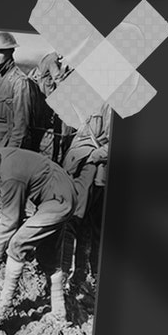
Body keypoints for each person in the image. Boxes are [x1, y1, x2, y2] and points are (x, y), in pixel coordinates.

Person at [0, 144, 78, 320]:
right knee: (49, 255)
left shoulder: (10, 176)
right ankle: (59, 311)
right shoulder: (1, 160)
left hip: (58, 200)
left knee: (17, 245)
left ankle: (4, 305)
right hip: (59, 195)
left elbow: (10, 220)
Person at [59, 104, 111, 290]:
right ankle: (74, 277)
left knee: (82, 224)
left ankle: (78, 277)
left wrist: (93, 156)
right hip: (77, 166)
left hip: (95, 173)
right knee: (77, 222)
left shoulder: (113, 104)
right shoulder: (88, 95)